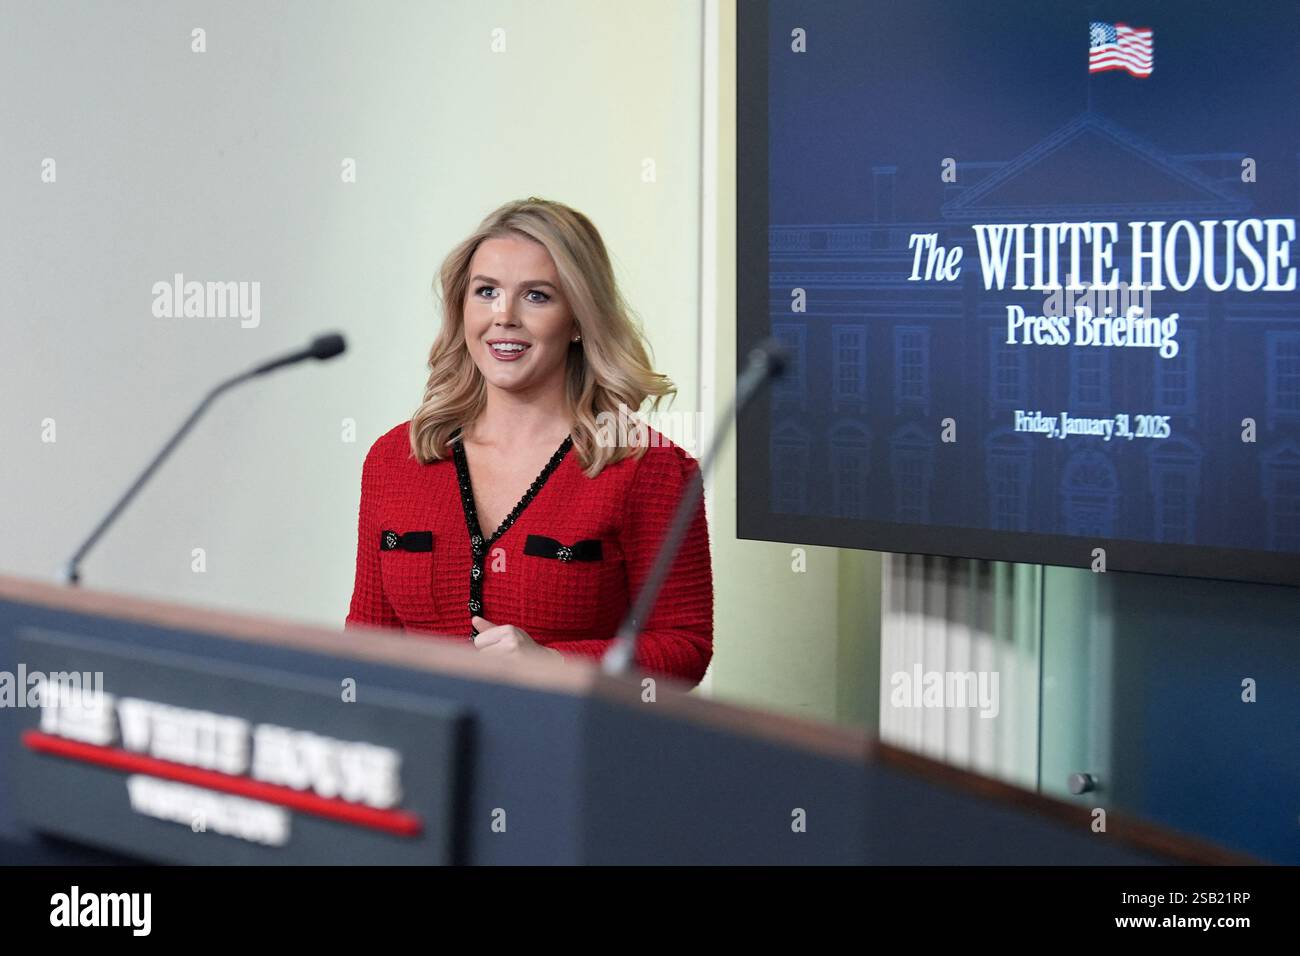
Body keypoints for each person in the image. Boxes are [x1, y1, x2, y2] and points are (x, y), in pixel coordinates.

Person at [345, 197, 713, 686]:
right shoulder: (397, 458)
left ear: (579, 320)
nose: (505, 316)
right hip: (426, 749)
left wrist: (558, 664)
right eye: (486, 291)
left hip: (575, 752)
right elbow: (368, 641)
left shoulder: (651, 469)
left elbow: (684, 649)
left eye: (537, 295)